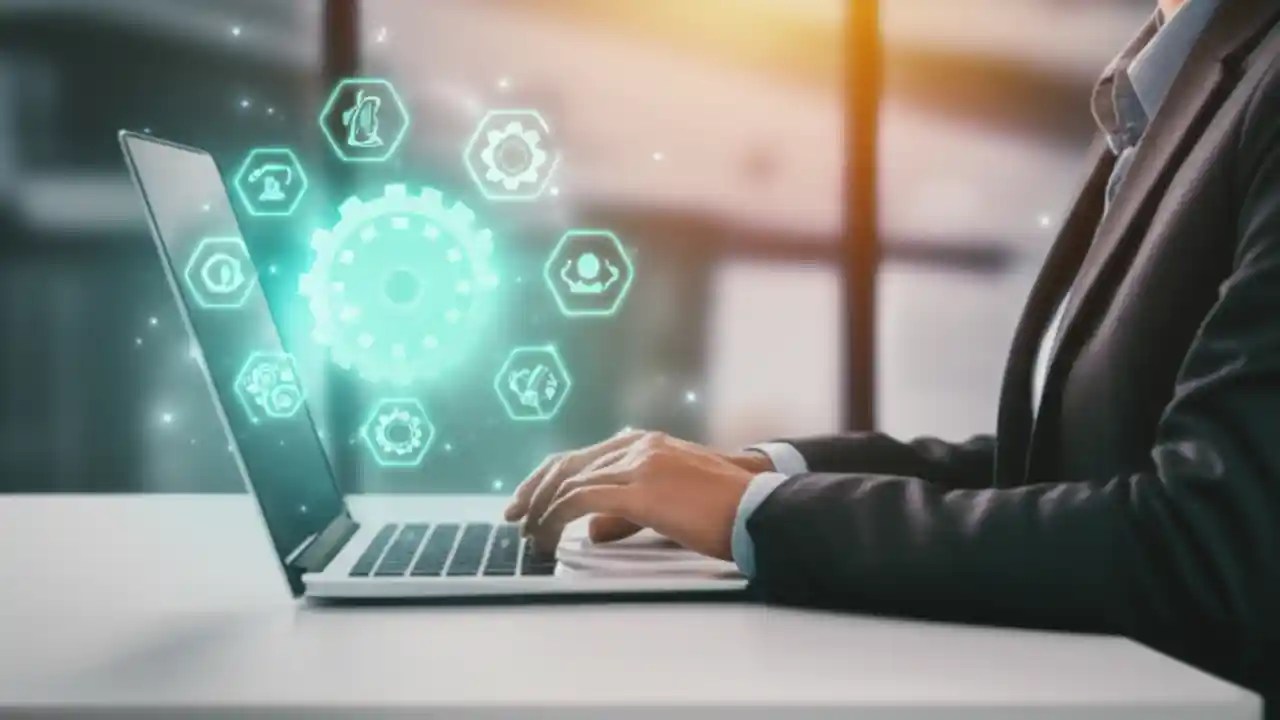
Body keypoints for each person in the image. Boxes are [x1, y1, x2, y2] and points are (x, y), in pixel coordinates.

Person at [506, 0, 1280, 710]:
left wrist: (760, 516)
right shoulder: (1170, 77)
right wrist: (763, 474)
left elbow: (1205, 540)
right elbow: (1063, 472)